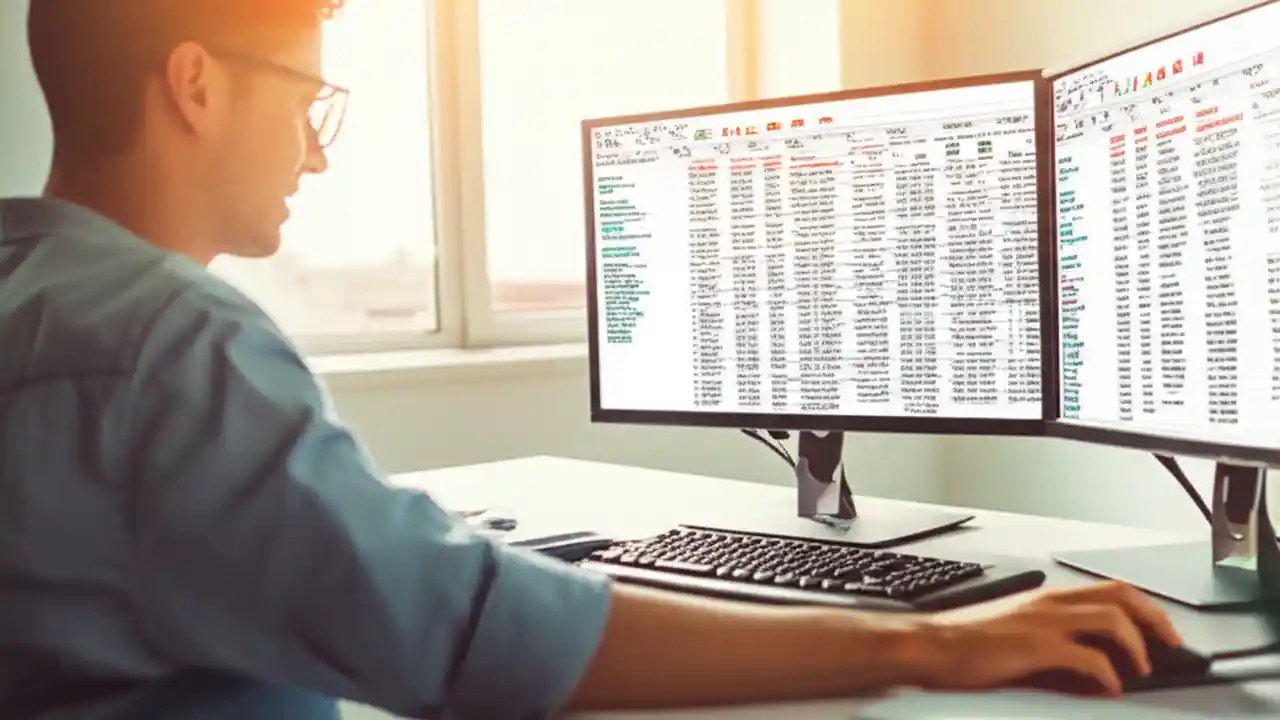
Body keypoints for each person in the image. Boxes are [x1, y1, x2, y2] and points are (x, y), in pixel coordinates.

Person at [0, 1, 1184, 718]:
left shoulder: (39, 297)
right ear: (196, 84)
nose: (315, 152)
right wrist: (937, 643)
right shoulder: (167, 344)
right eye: (309, 100)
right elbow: (474, 639)